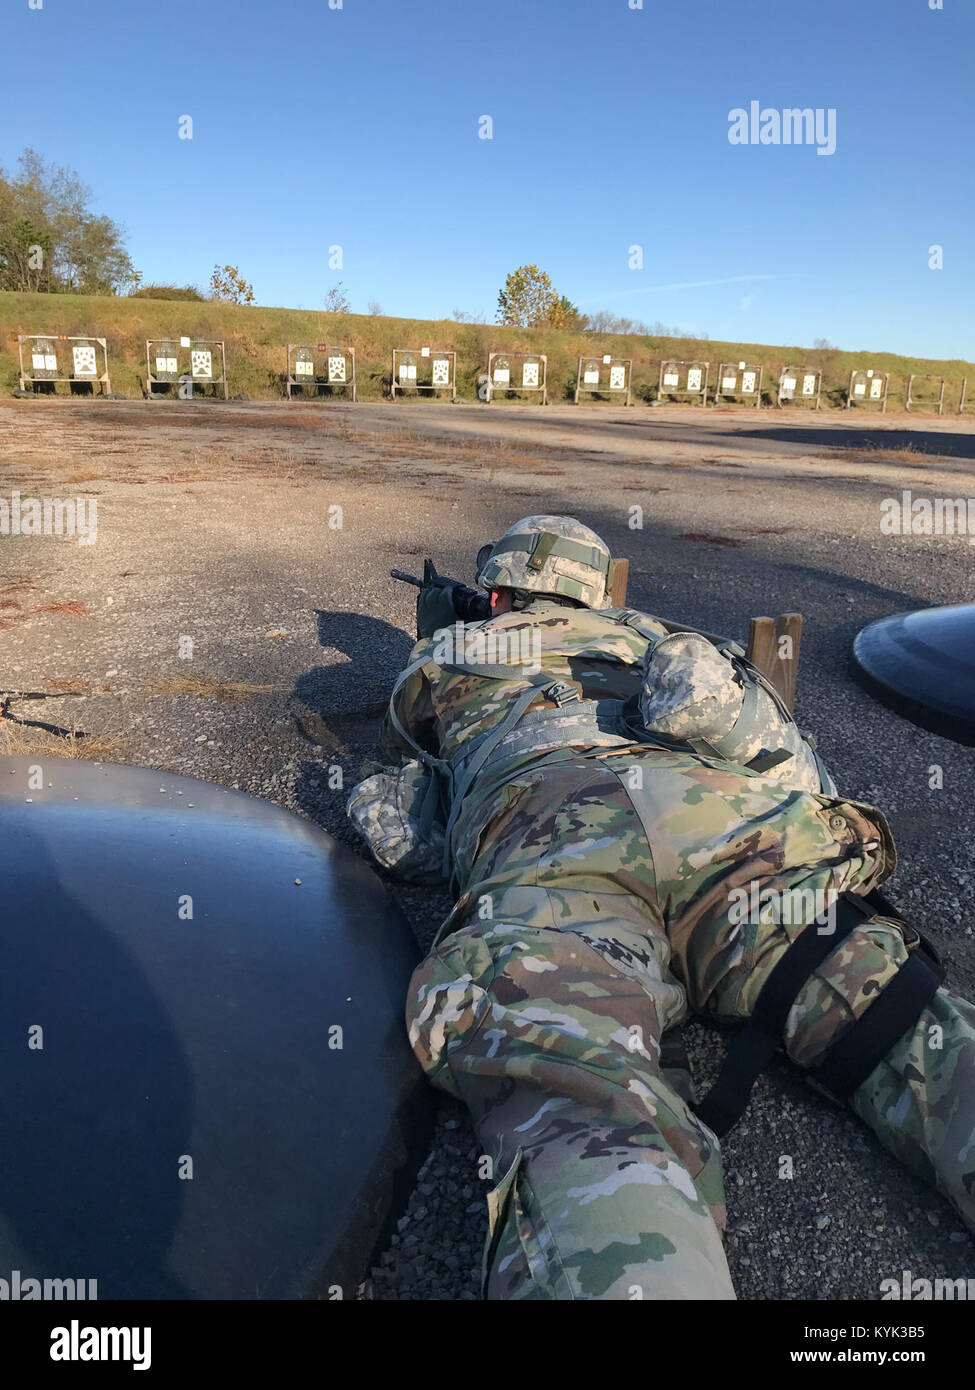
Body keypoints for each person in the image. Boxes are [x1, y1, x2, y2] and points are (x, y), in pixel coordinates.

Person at [348, 514, 974, 1300]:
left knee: (579, 1099)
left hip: (556, 839)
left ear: (498, 591)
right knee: (895, 1015)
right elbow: (798, 774)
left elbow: (411, 837)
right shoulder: (653, 633)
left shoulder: (449, 656)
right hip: (730, 830)